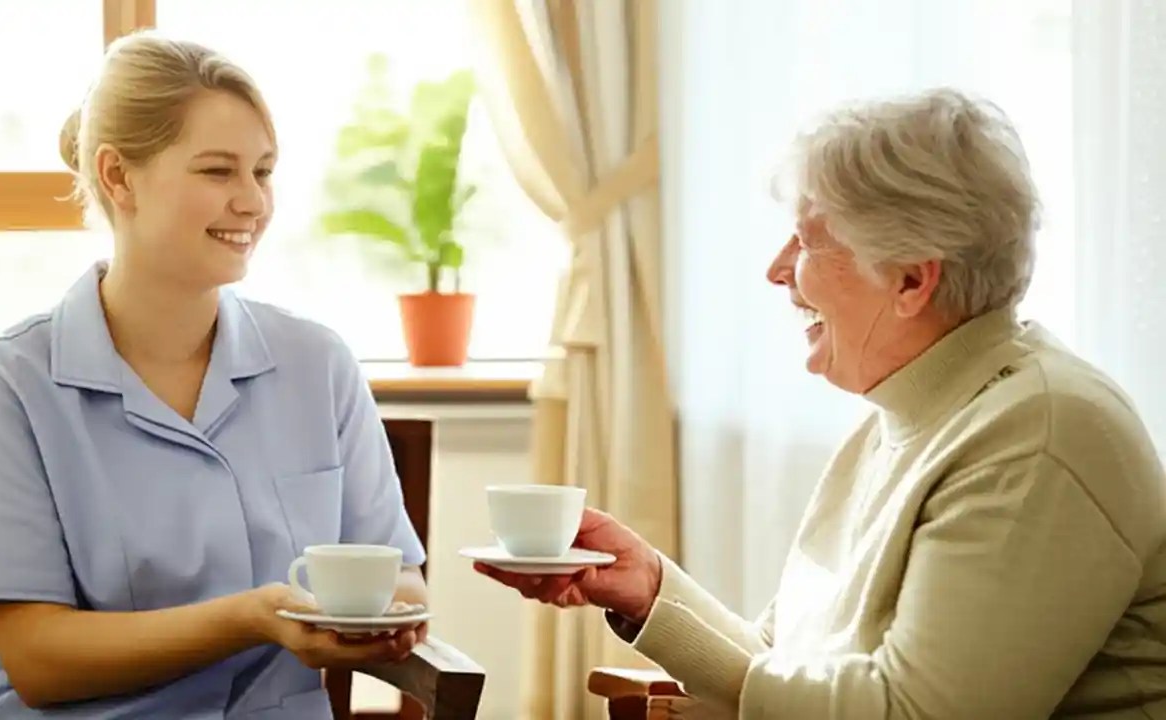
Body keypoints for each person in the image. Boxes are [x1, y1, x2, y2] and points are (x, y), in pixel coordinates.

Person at [476, 88, 1166, 718]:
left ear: (910, 280)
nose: (778, 271)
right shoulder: (904, 419)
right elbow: (790, 671)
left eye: (806, 240)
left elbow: (916, 715)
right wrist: (651, 590)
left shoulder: (1041, 432)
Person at [0, 31, 427, 719]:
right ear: (117, 176)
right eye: (217, 171)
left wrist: (393, 616)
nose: (253, 203)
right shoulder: (4, 386)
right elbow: (39, 660)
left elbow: (401, 576)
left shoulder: (319, 364)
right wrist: (250, 618)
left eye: (263, 171)